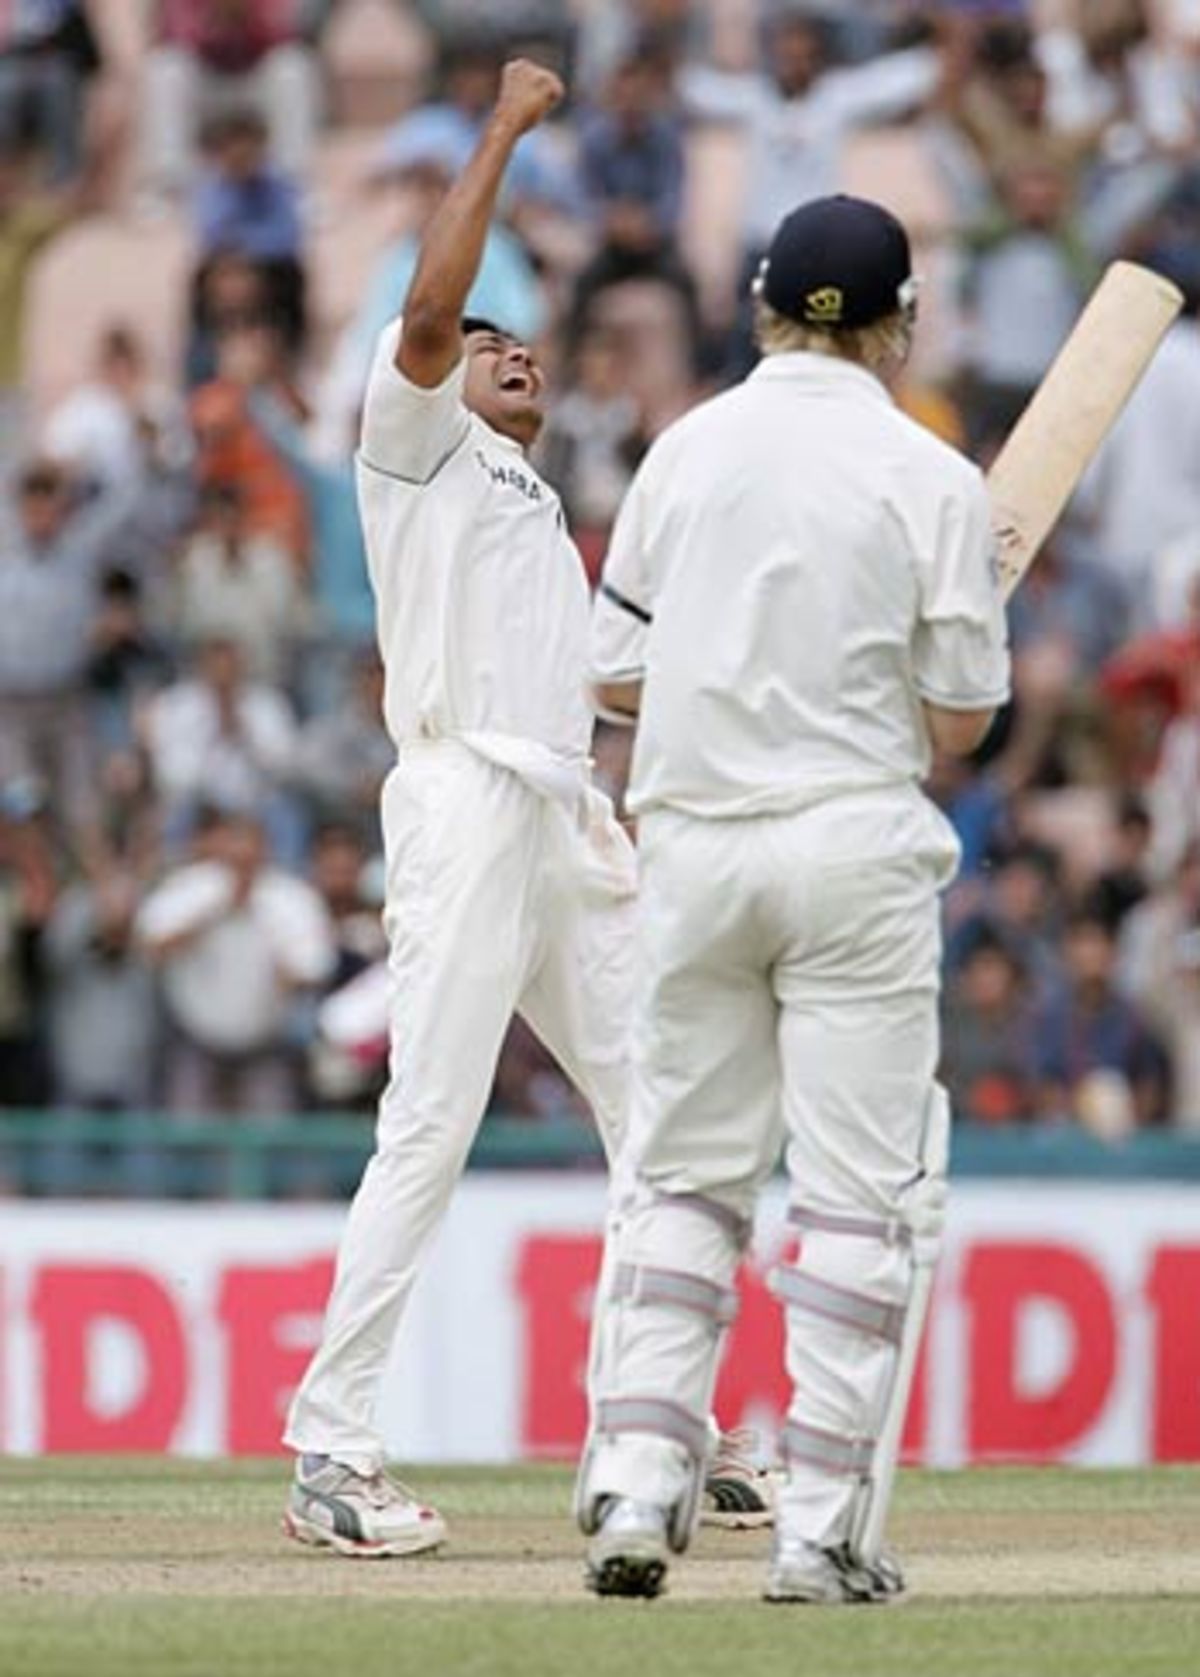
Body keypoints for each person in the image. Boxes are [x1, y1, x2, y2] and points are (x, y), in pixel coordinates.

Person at [575, 195, 1011, 1603]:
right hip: (852, 851)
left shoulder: (683, 454)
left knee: (685, 1173)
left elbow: (614, 676)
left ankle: (641, 1481)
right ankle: (820, 1528)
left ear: (761, 305)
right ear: (901, 323)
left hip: (694, 844)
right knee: (854, 1200)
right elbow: (962, 726)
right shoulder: (932, 475)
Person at [280, 60, 638, 1560]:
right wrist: (502, 127)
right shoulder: (414, 449)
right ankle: (329, 1447)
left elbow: (644, 684)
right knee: (430, 1124)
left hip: (564, 817)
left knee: (670, 1125)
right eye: (489, 343)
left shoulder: (543, 525)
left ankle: (648, 1433)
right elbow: (428, 322)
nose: (513, 357)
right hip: (466, 795)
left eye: (527, 351)